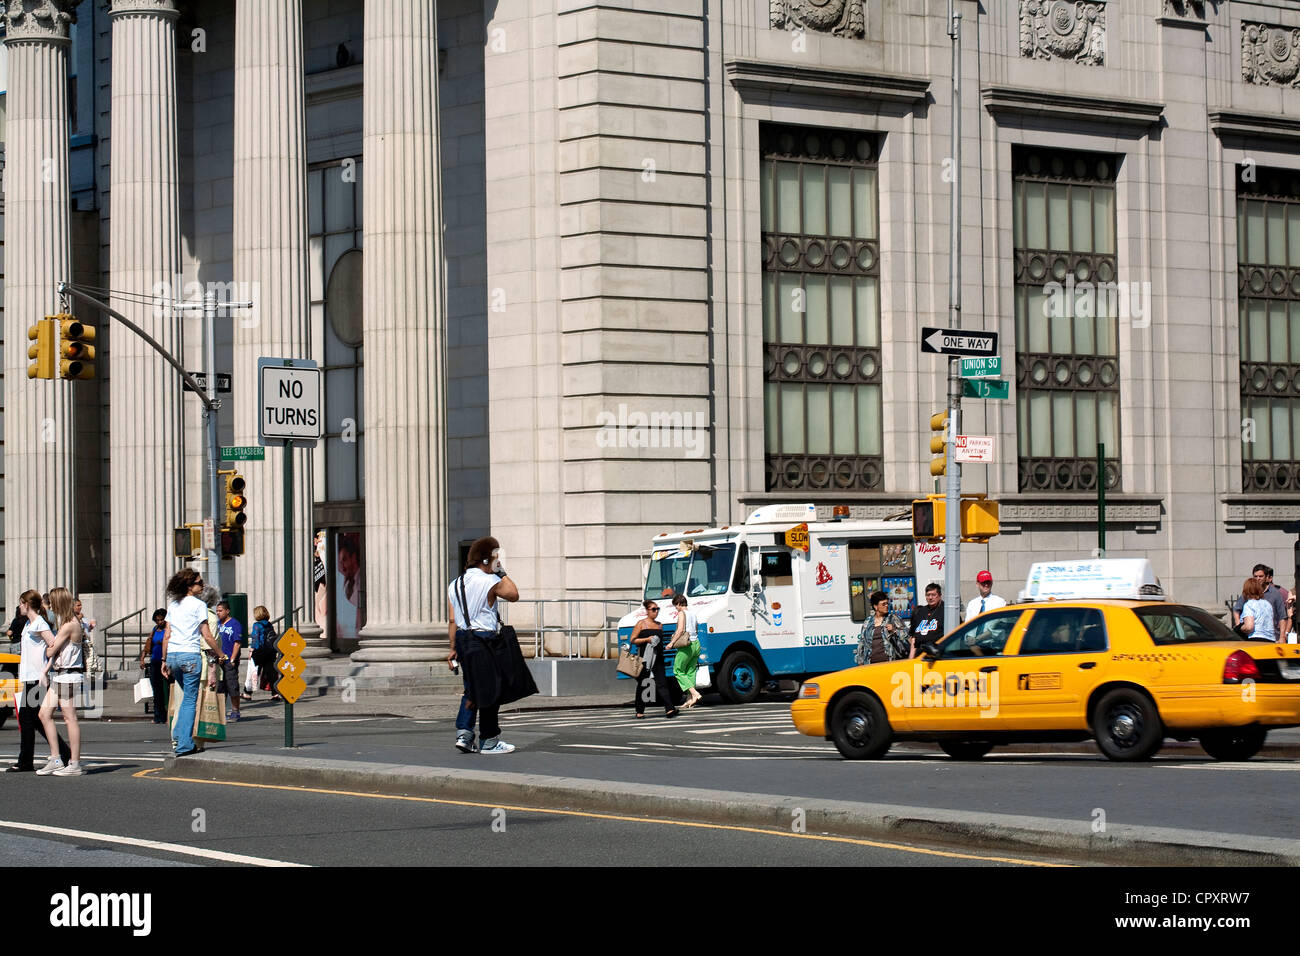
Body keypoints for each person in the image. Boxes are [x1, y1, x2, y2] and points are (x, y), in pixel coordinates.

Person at [446, 536, 523, 754]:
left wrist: (452, 648)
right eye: (495, 558)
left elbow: (452, 620)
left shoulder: (455, 584)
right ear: (487, 561)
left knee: (472, 687)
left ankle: (464, 734)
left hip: (463, 639)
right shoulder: (489, 581)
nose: (497, 561)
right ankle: (489, 740)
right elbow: (514, 595)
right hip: (484, 640)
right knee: (491, 690)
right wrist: (501, 572)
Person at [4, 591, 71, 773]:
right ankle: (64, 754)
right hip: (28, 677)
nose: (19, 607)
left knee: (29, 719)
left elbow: (54, 647)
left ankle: (26, 761)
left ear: (27, 604)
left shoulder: (40, 624)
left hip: (38, 679)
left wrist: (45, 671)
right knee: (37, 720)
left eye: (20, 603)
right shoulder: (28, 624)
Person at [161, 569, 222, 757]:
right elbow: (207, 634)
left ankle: (178, 736)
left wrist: (164, 660)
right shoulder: (198, 605)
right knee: (189, 701)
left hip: (173, 655)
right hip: (190, 655)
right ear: (189, 586)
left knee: (184, 698)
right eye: (199, 582)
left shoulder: (173, 605)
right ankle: (185, 744)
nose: (202, 585)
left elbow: (167, 635)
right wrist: (220, 653)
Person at [37, 588, 86, 776]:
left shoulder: (70, 625)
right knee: (44, 714)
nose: (51, 607)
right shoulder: (68, 622)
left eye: (53, 603)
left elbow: (50, 651)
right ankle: (56, 759)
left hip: (68, 675)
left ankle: (74, 763)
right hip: (61, 675)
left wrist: (50, 647)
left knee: (69, 717)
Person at [629, 599, 679, 719]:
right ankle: (639, 711)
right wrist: (647, 639)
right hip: (645, 658)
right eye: (653, 609)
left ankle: (669, 709)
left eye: (657, 609)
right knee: (643, 684)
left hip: (658, 657)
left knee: (662, 683)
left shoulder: (659, 625)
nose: (656, 611)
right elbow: (633, 640)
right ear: (647, 611)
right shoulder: (641, 624)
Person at [1232, 564, 1289, 642]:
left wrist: (1282, 636)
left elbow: (1282, 616)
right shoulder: (1248, 594)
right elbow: (1236, 609)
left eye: (1260, 576)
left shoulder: (1275, 593)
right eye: (1255, 576)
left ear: (1266, 577)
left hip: (1272, 635)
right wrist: (1238, 624)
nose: (1258, 579)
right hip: (1253, 635)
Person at [855, 591, 909, 665]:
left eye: (887, 603)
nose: (886, 606)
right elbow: (862, 642)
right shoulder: (867, 622)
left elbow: (907, 636)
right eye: (883, 604)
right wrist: (860, 661)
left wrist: (894, 630)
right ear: (875, 606)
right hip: (870, 664)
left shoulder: (893, 618)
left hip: (889, 662)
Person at [669, 593, 702, 708]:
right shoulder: (693, 613)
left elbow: (680, 630)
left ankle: (695, 694)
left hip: (686, 646)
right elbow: (696, 629)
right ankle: (689, 699)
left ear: (679, 603)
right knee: (690, 672)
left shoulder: (682, 613)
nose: (676, 608)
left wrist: (671, 643)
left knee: (677, 670)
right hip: (696, 644)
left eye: (676, 606)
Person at [137, 609, 169, 723]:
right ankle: (158, 716)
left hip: (166, 662)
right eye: (157, 620)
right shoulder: (155, 629)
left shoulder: (168, 630)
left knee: (167, 690)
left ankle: (167, 715)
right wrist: (142, 658)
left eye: (161, 619)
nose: (159, 622)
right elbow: (148, 644)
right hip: (155, 662)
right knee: (156, 690)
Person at [215, 601, 244, 721]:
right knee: (220, 687)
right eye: (217, 611)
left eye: (220, 610)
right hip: (218, 659)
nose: (218, 613)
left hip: (229, 659)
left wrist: (232, 659)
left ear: (227, 611)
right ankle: (221, 711)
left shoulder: (235, 624)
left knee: (232, 685)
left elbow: (237, 643)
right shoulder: (216, 624)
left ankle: (235, 710)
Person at [909, 582, 944, 656]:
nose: (930, 598)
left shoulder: (945, 610)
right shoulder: (920, 611)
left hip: (936, 657)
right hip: (919, 657)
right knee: (917, 668)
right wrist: (910, 659)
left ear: (940, 596)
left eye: (933, 595)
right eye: (928, 595)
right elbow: (913, 639)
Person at [1238, 577, 1277, 642]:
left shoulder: (1249, 605)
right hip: (1271, 639)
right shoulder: (1267, 604)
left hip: (1256, 639)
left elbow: (1249, 627)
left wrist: (1240, 628)